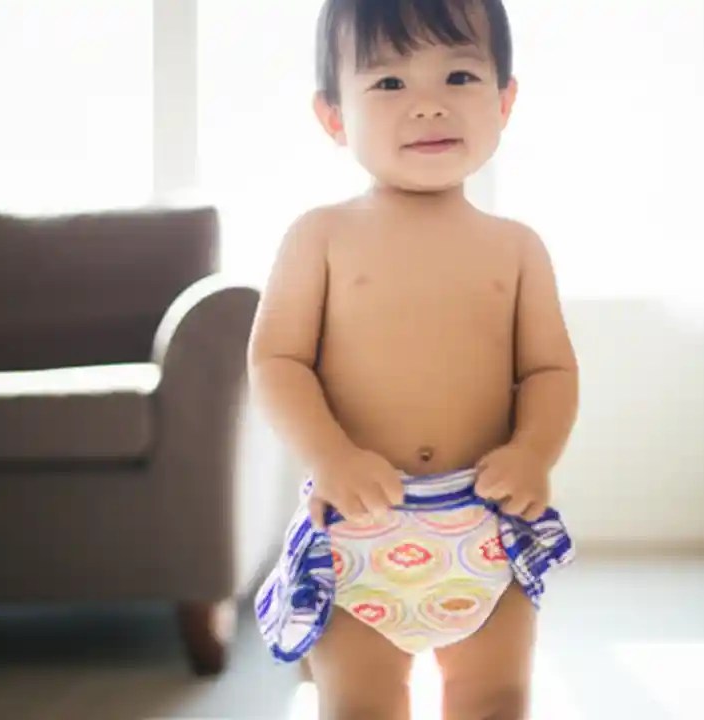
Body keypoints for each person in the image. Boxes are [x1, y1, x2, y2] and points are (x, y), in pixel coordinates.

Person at [249, 0, 577, 717]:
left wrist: (533, 453)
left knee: (496, 699)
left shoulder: (516, 248)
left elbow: (549, 371)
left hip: (485, 522)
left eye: (459, 76)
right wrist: (331, 454)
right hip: (358, 524)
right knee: (360, 704)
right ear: (334, 116)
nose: (428, 105)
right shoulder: (321, 236)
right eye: (390, 83)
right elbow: (276, 361)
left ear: (504, 101)